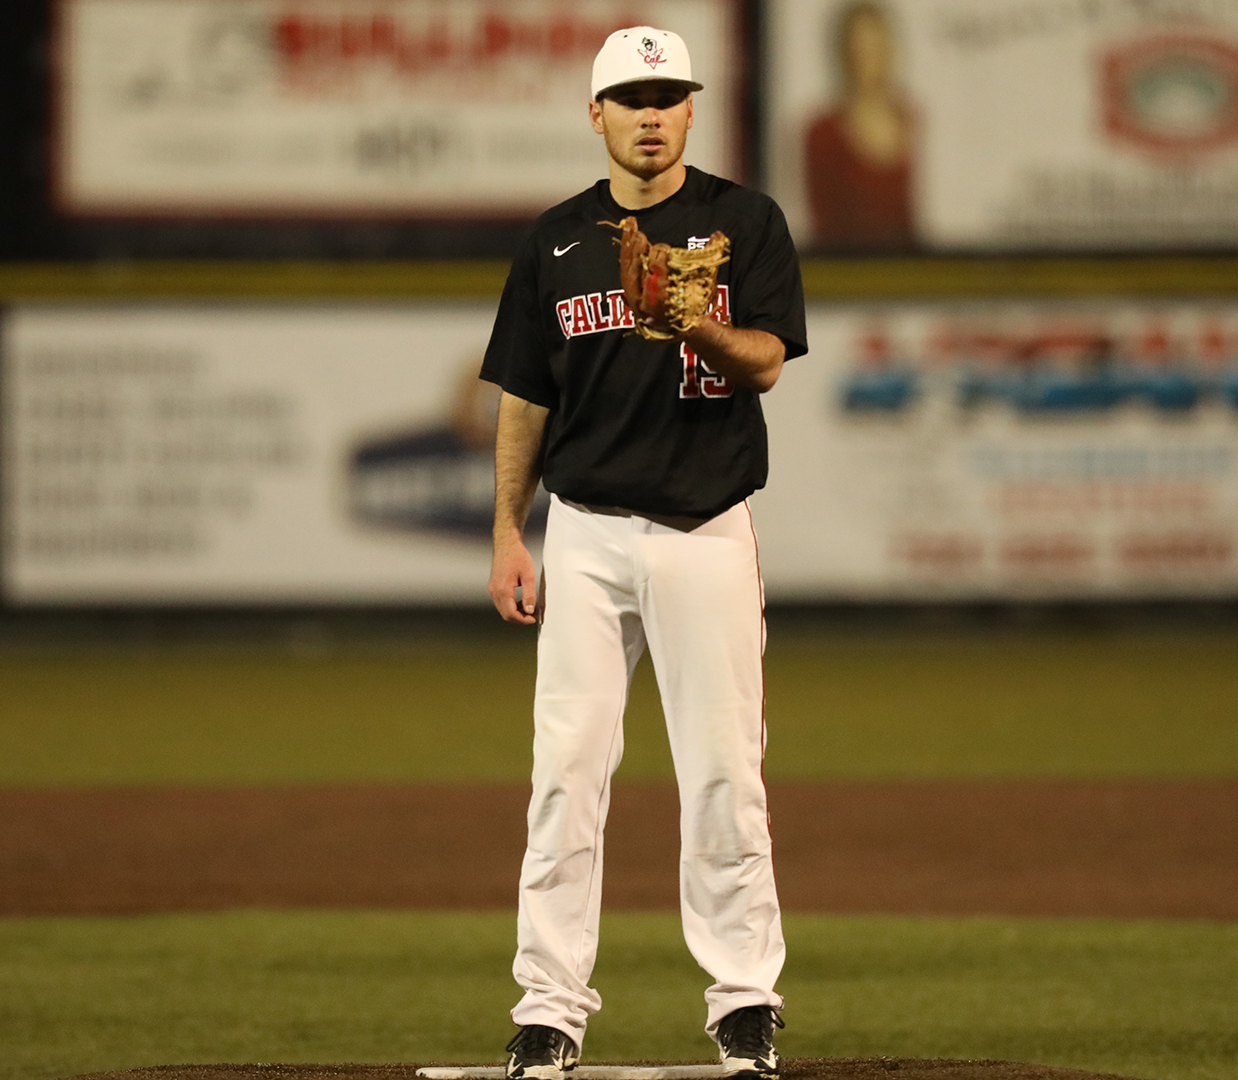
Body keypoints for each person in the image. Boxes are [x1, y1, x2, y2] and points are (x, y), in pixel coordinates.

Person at [479, 25, 808, 1080]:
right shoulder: (556, 240)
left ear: (693, 110)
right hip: (580, 533)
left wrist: (694, 322)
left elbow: (765, 362)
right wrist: (506, 530)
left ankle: (746, 1001)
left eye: (670, 94)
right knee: (565, 776)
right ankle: (548, 1009)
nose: (652, 112)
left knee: (722, 775)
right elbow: (526, 394)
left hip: (706, 527)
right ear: (598, 115)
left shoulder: (743, 222)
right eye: (632, 96)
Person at [803, 1, 918, 250]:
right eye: (860, 50)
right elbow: (821, 223)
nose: (869, 61)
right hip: (848, 274)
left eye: (876, 49)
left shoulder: (913, 121)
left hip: (913, 272)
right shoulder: (822, 133)